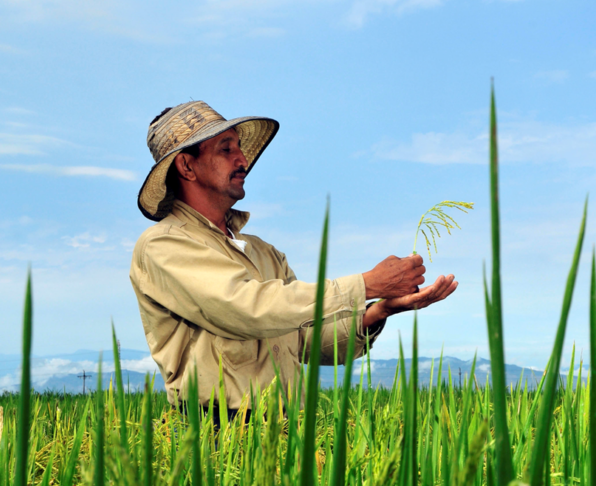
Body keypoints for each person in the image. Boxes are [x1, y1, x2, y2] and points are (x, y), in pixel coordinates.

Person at [130, 101, 457, 417]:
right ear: (187, 166)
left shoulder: (263, 252)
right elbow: (245, 308)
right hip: (214, 433)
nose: (243, 159)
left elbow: (306, 340)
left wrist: (378, 311)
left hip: (287, 429)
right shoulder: (163, 246)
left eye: (240, 148)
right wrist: (364, 285)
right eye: (226, 149)